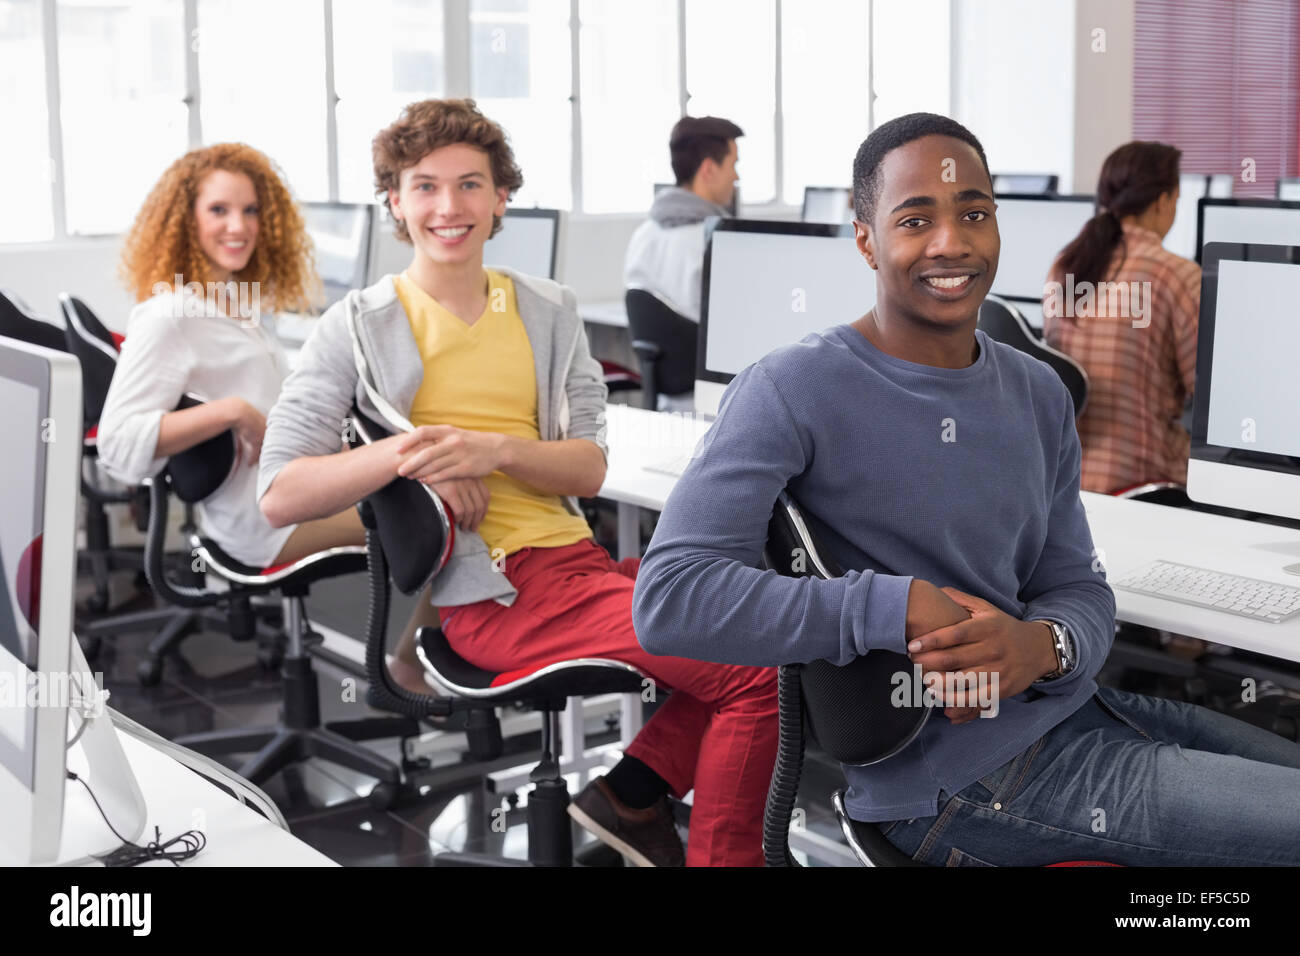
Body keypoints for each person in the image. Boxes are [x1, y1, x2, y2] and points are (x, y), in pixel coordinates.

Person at [632, 112, 1300, 866]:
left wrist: (1042, 646)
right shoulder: (791, 387)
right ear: (865, 239)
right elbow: (671, 598)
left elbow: (1078, 586)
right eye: (915, 219)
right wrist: (894, 602)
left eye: (974, 213)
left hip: (1080, 712)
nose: (952, 242)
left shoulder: (1038, 391)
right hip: (960, 779)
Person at [257, 98, 777, 867]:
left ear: (502, 197)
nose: (449, 206)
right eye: (425, 186)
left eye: (471, 184)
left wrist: (492, 450)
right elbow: (281, 493)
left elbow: (588, 465)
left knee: (778, 626)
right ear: (395, 202)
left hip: (579, 567)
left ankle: (630, 793)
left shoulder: (548, 311)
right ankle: (679, 828)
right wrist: (416, 456)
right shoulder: (359, 326)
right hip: (497, 594)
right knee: (757, 673)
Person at [1043, 141, 1200, 494]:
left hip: (1066, 481)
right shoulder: (1177, 275)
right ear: (1163, 200)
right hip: (1145, 480)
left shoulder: (1065, 265)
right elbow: (1208, 397)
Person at [623, 115, 742, 323]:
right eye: (733, 165)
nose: (736, 177)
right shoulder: (714, 244)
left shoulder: (643, 234)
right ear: (709, 170)